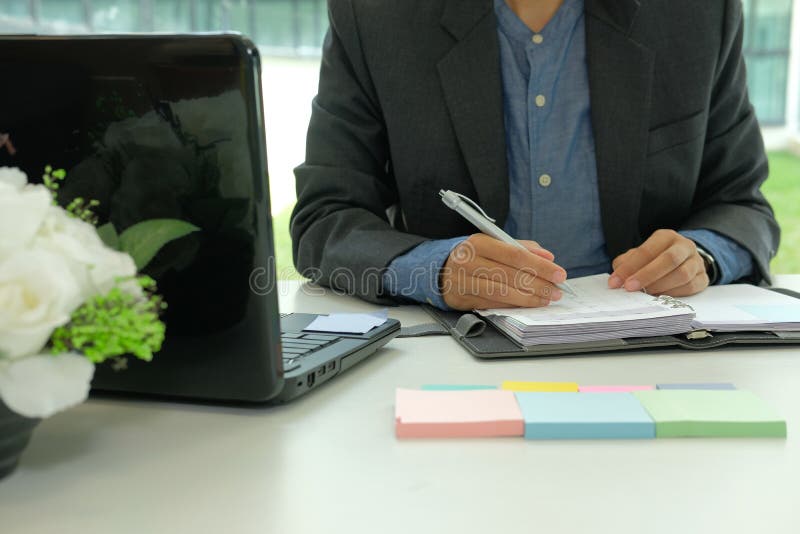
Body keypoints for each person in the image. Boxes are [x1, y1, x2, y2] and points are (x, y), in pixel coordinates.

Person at [290, 0, 780, 311]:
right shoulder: (375, 16)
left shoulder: (698, 14)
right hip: (452, 355)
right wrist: (435, 269)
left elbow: (742, 206)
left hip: (654, 354)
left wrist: (702, 255)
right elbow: (326, 217)